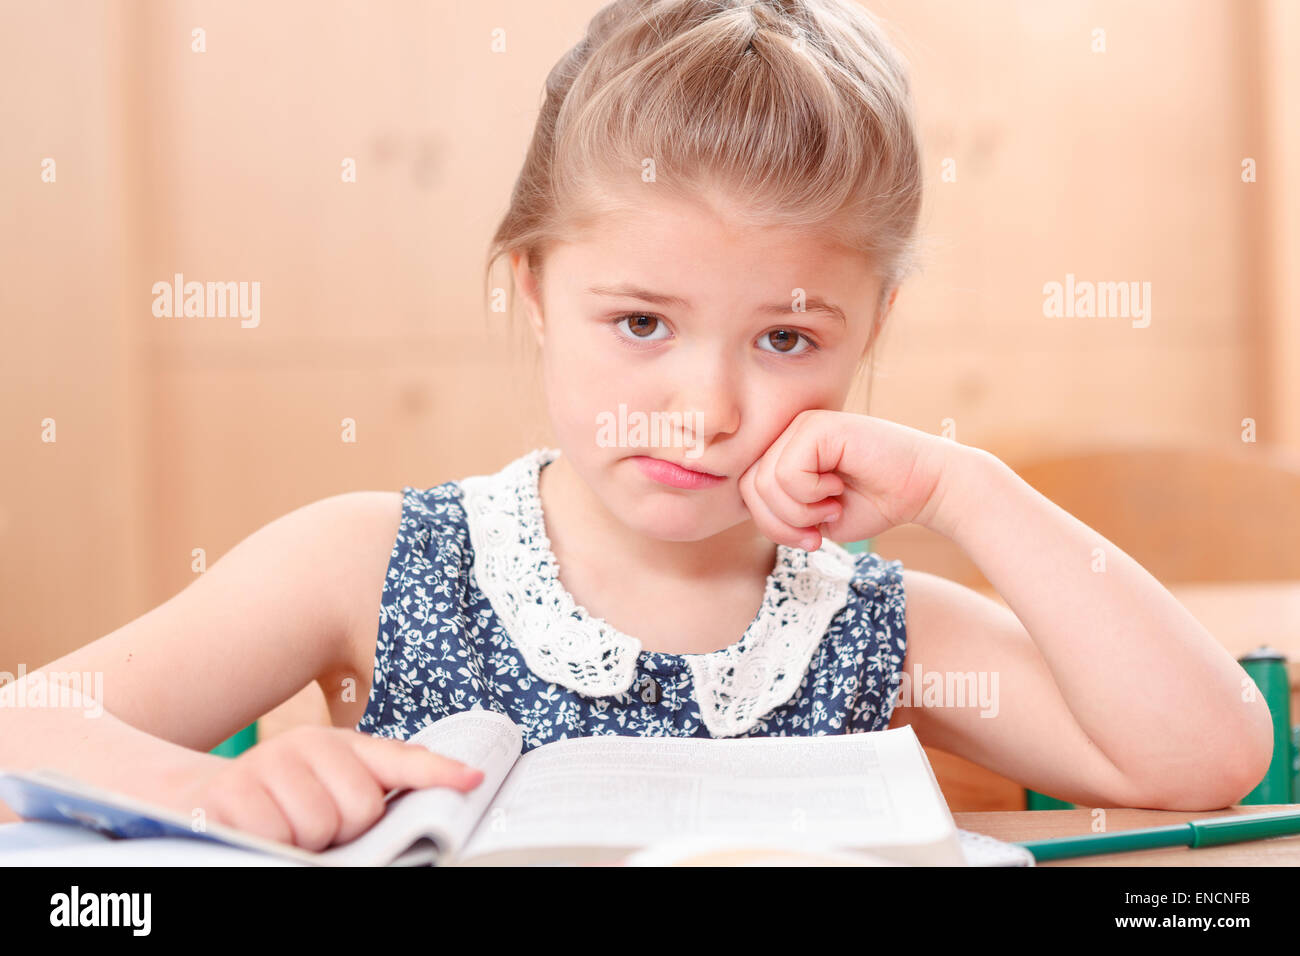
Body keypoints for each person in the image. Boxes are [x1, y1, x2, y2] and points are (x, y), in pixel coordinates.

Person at [0, 0, 1272, 853]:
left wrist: (970, 491)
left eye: (786, 340)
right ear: (536, 290)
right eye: (642, 323)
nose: (707, 410)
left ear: (866, 331)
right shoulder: (375, 561)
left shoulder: (867, 622)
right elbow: (24, 721)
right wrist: (205, 785)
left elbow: (1208, 756)